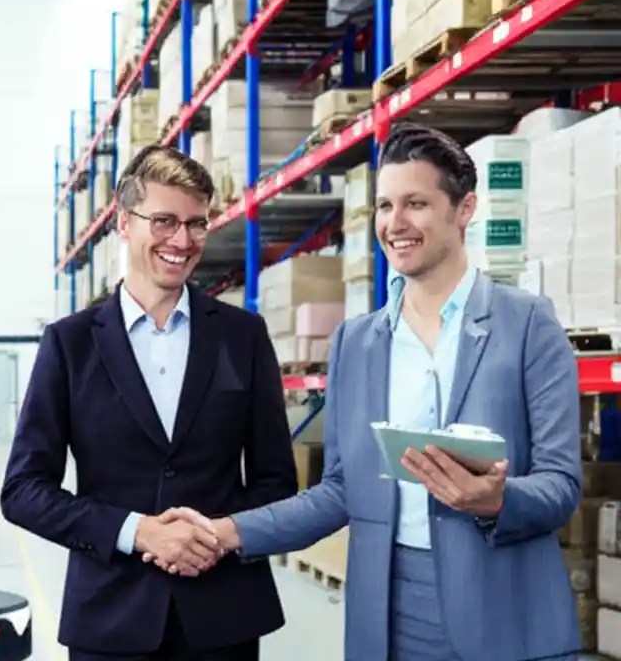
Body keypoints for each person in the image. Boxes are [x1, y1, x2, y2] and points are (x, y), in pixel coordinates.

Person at [157, 121, 584, 660]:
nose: (395, 223)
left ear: (465, 209)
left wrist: (498, 500)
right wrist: (224, 533)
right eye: (384, 206)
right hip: (390, 616)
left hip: (504, 612)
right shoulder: (358, 343)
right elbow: (340, 490)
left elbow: (561, 484)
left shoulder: (526, 324)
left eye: (416, 204)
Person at [0, 145, 298, 661]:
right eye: (163, 221)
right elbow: (24, 490)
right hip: (111, 620)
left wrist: (217, 537)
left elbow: (276, 480)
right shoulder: (70, 345)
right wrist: (134, 532)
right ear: (124, 224)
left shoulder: (242, 337)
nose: (181, 241)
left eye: (196, 224)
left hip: (222, 618)